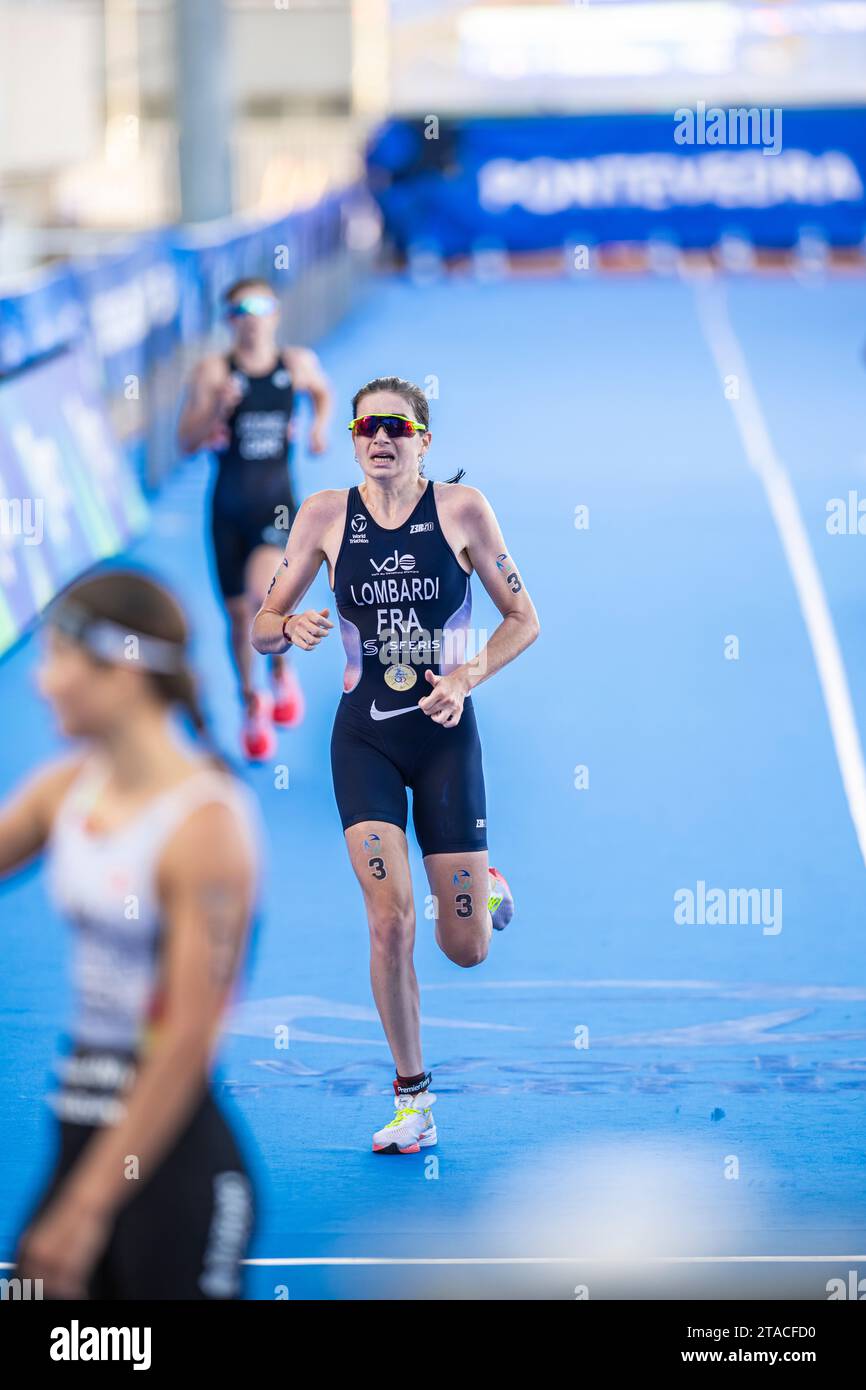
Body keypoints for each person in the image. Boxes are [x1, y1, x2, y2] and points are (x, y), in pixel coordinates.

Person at [252, 376, 539, 1153]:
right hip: (365, 741)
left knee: (464, 946)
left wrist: (467, 677)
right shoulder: (322, 515)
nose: (380, 439)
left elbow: (525, 620)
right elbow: (262, 626)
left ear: (423, 441)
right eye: (366, 427)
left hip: (445, 735)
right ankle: (415, 1100)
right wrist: (291, 624)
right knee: (389, 923)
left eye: (396, 428)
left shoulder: (463, 511)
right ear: (353, 440)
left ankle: (479, 889)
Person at [1, 570, 260, 1298]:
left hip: (170, 1157)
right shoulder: (69, 788)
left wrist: (85, 1210)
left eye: (57, 660)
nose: (41, 682)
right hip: (81, 1114)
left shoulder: (205, 825)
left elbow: (185, 1038)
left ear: (119, 672)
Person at [177, 277, 333, 760]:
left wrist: (318, 426)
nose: (252, 315)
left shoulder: (296, 364)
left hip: (279, 507)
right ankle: (250, 699)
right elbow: (186, 442)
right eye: (241, 308)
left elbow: (323, 394)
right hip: (227, 508)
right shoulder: (212, 371)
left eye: (261, 305)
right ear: (230, 320)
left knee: (260, 596)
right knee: (237, 616)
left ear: (275, 314)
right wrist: (217, 408)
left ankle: (282, 673)